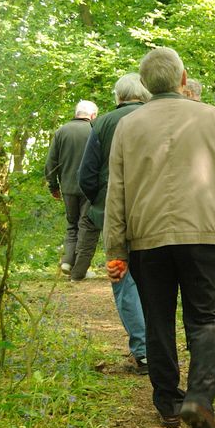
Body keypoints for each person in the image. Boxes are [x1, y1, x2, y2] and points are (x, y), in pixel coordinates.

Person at [103, 48, 215, 428]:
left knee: (158, 318)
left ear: (146, 85)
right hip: (205, 235)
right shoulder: (212, 117)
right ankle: (200, 397)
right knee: (207, 318)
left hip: (147, 238)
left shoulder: (127, 127)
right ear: (183, 78)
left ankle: (169, 402)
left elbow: (115, 193)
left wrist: (114, 250)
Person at [75, 73, 151, 372]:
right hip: (152, 212)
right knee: (154, 281)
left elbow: (87, 175)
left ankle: (142, 351)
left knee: (123, 279)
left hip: (113, 213)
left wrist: (99, 201)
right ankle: (159, 347)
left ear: (118, 96)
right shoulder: (156, 116)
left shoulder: (103, 123)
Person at [45, 99, 98, 275]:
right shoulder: (94, 130)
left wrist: (53, 186)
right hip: (89, 189)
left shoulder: (61, 131)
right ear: (92, 115)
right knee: (85, 225)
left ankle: (67, 261)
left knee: (72, 225)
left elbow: (51, 162)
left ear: (77, 113)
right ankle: (80, 269)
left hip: (67, 188)